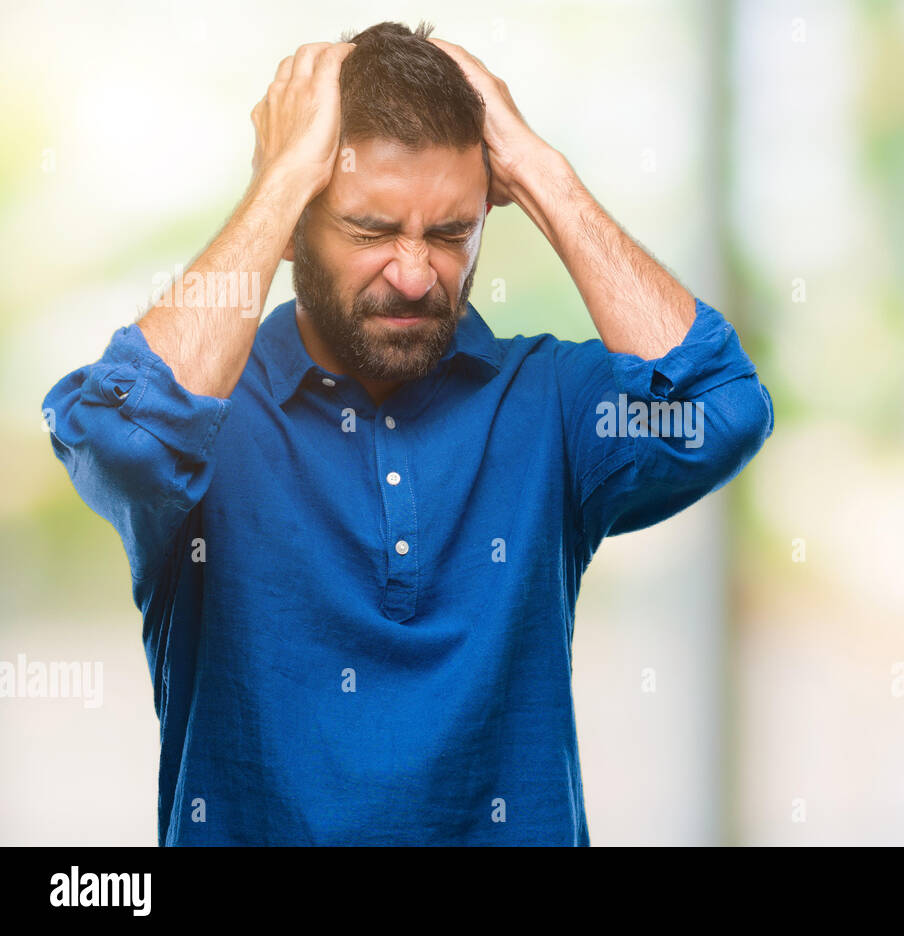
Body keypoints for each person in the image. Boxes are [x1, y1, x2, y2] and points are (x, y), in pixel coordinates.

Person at [41, 21, 773, 845]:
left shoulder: (551, 406)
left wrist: (540, 170)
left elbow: (721, 411)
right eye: (371, 230)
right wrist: (278, 182)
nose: (417, 272)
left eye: (451, 233)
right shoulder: (201, 418)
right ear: (293, 226)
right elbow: (113, 442)